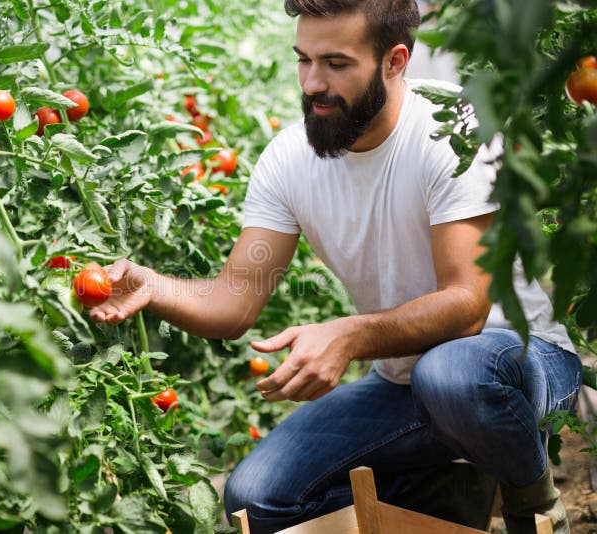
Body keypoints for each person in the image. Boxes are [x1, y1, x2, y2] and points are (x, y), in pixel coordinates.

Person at [89, 1, 582, 532]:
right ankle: (449, 493)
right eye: (304, 60)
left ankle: (532, 503)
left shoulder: (453, 133)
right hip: (405, 385)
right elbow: (233, 302)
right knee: (254, 498)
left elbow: (467, 307)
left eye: (336, 64)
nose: (312, 83)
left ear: (395, 61)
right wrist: (152, 286)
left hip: (519, 364)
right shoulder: (288, 161)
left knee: (453, 376)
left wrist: (348, 336)